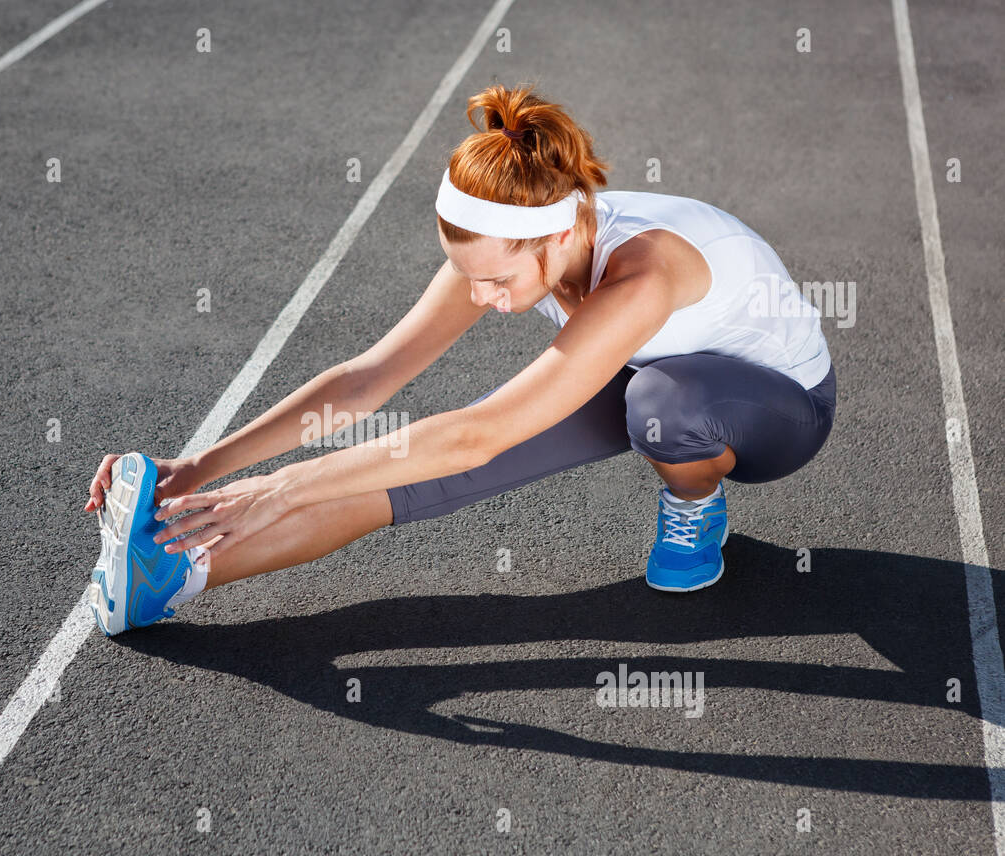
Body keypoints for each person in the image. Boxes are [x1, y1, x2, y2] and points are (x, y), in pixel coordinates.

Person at [83, 82, 836, 636]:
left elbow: (479, 432)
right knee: (403, 474)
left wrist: (281, 487)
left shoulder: (646, 271)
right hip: (640, 368)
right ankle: (173, 576)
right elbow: (365, 381)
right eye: (466, 273)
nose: (484, 296)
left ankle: (696, 504)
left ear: (561, 237)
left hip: (773, 408)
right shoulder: (503, 244)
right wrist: (205, 468)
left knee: (664, 409)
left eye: (499, 282)